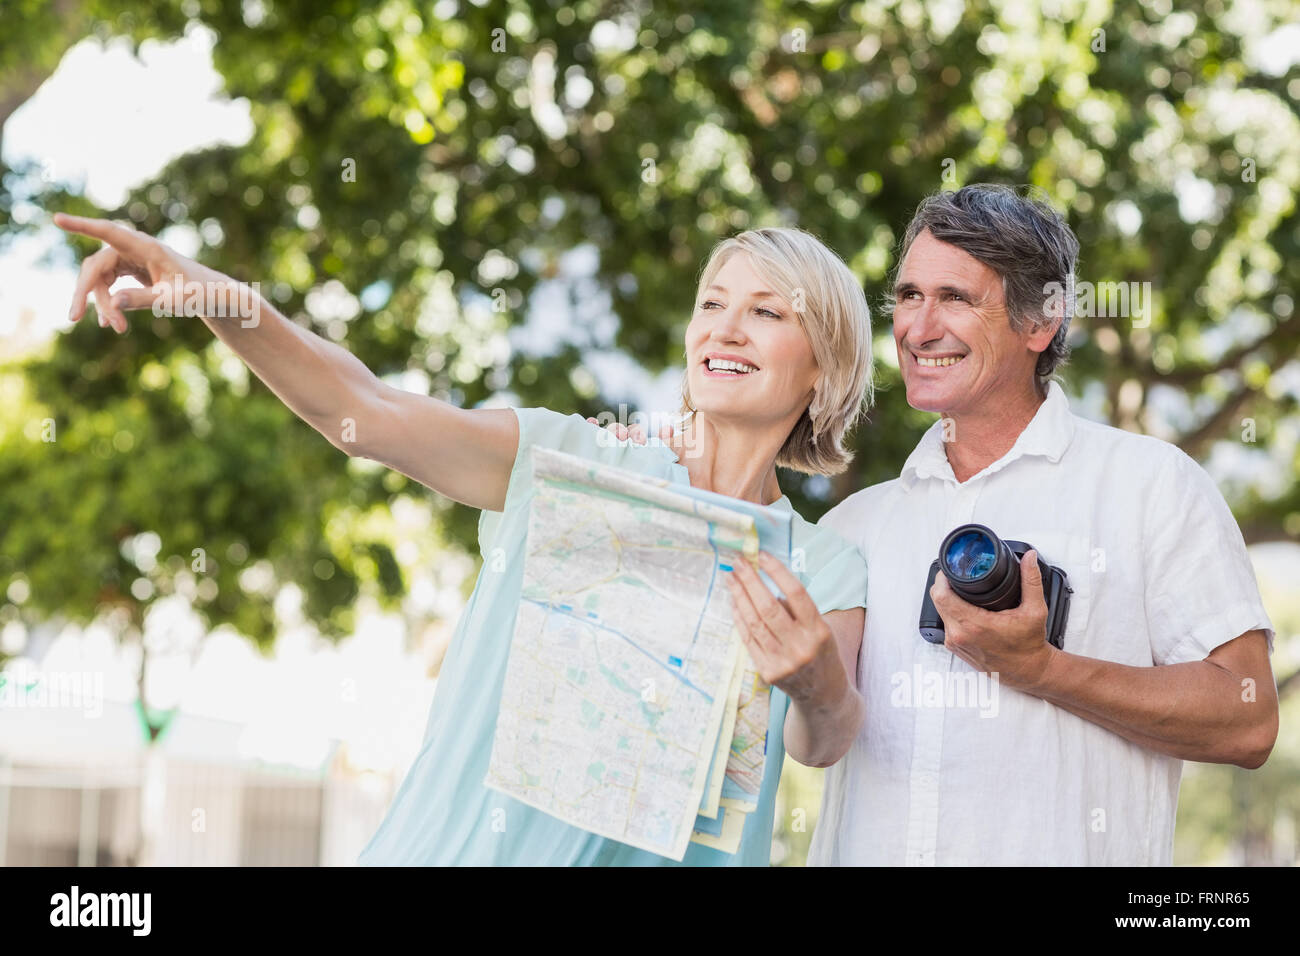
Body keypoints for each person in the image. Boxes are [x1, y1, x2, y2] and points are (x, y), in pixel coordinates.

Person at [53, 213, 875, 865]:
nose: (724, 330)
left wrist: (817, 683)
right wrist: (209, 292)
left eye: (765, 313)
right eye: (711, 304)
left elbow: (820, 742)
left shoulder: (826, 565)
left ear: (822, 369)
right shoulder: (574, 460)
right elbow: (363, 411)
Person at [807, 184, 1278, 866]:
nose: (918, 327)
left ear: (1041, 322)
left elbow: (1248, 717)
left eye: (956, 298)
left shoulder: (1152, 486)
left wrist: (1042, 669)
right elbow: (806, 737)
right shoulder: (853, 525)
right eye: (909, 295)